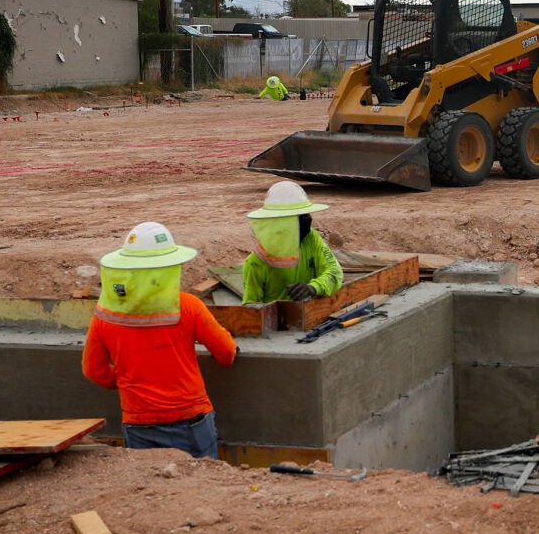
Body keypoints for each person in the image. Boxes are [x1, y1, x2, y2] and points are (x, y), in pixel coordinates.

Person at [81, 221, 237, 458]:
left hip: (139, 421)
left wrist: (128, 381)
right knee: (201, 488)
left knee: (152, 490)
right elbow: (226, 354)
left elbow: (93, 370)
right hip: (191, 419)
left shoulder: (105, 314)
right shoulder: (189, 307)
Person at [241, 180, 343, 304]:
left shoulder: (311, 238)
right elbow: (251, 307)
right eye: (302, 216)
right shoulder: (255, 263)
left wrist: (313, 288)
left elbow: (334, 272)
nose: (309, 219)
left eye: (307, 214)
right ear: (284, 223)